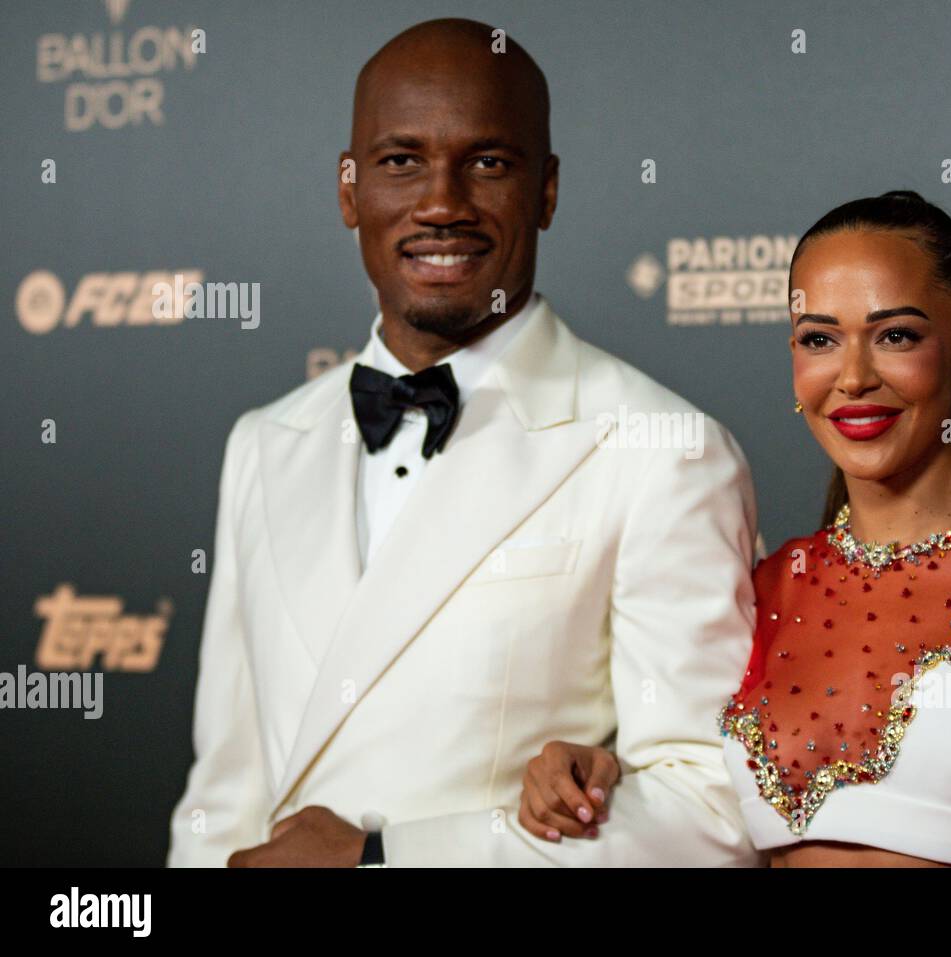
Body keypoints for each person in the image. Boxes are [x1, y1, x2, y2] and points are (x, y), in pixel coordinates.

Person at [166, 18, 761, 867]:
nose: (442, 204)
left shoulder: (663, 450)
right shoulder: (264, 443)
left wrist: (381, 858)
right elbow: (222, 799)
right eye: (400, 161)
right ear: (348, 190)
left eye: (487, 163)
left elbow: (709, 812)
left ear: (546, 191)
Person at [518, 191, 951, 867]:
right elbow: (702, 804)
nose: (853, 376)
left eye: (896, 335)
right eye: (820, 339)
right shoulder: (769, 587)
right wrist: (604, 773)